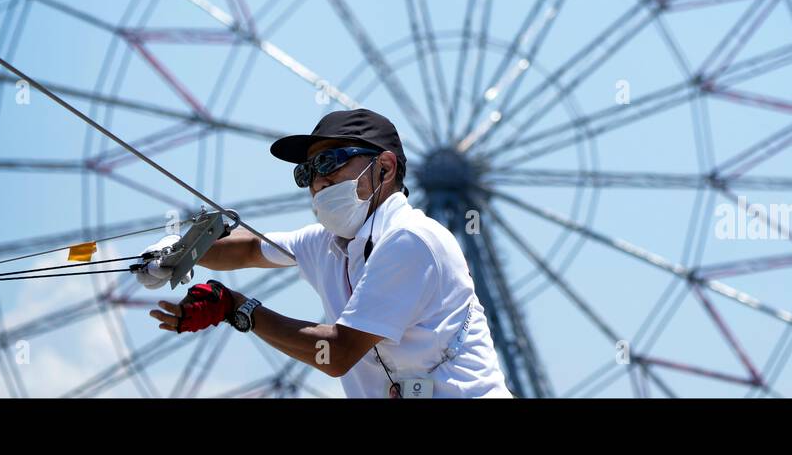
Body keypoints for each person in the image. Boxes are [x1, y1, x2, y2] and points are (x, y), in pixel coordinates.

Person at [141, 108, 513, 398]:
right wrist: (179, 249)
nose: (317, 180)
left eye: (329, 162)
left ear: (384, 167)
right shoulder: (327, 242)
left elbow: (336, 353)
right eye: (305, 173)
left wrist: (238, 308)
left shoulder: (411, 240)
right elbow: (251, 248)